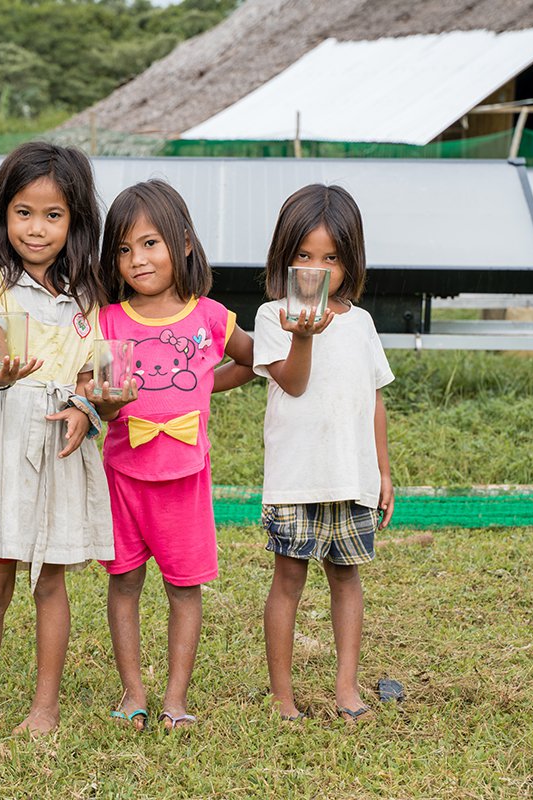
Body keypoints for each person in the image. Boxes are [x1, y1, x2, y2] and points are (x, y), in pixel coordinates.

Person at [0, 142, 112, 737]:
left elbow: (94, 373)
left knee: (51, 579)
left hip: (60, 439)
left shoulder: (88, 293)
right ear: (3, 213)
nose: (36, 228)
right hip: (3, 433)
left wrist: (83, 407)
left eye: (52, 215)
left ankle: (45, 707)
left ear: (74, 220)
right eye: (23, 212)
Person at [94, 180, 254, 731]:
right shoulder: (107, 321)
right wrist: (106, 403)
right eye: (123, 248)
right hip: (124, 476)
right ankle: (133, 692)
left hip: (185, 477)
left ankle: (175, 700)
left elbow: (254, 361)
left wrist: (209, 384)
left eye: (150, 243)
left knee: (184, 588)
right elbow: (102, 399)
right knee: (124, 582)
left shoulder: (209, 315)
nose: (137, 260)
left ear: (183, 243)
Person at [253, 183, 395, 723]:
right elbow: (291, 382)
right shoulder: (275, 318)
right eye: (304, 257)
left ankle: (346, 687)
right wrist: (305, 335)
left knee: (346, 577)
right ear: (284, 259)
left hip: (350, 477)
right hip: (296, 479)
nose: (317, 268)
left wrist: (383, 471)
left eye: (330, 257)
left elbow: (374, 398)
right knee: (288, 580)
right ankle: (283, 696)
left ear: (350, 259)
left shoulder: (361, 323)